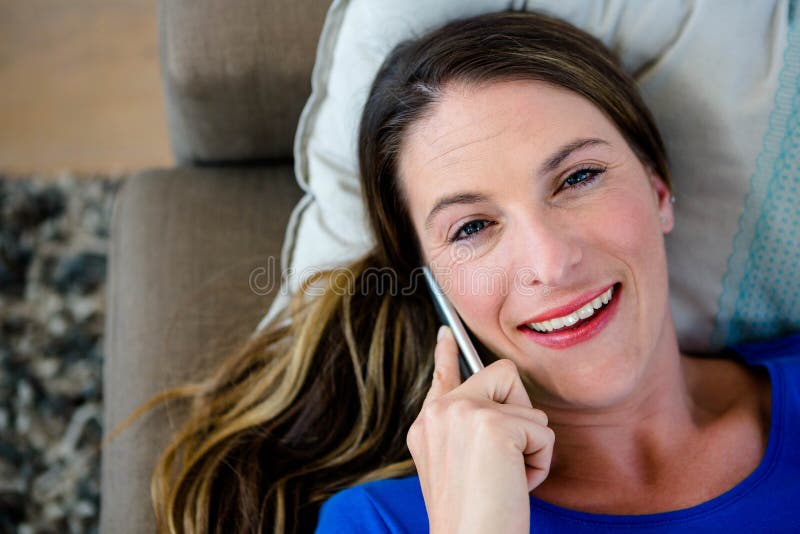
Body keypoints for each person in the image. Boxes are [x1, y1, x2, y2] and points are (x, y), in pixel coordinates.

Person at [152, 11, 800, 533]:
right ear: (433, 283)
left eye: (578, 178)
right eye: (472, 228)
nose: (550, 263)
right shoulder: (383, 524)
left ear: (658, 190)